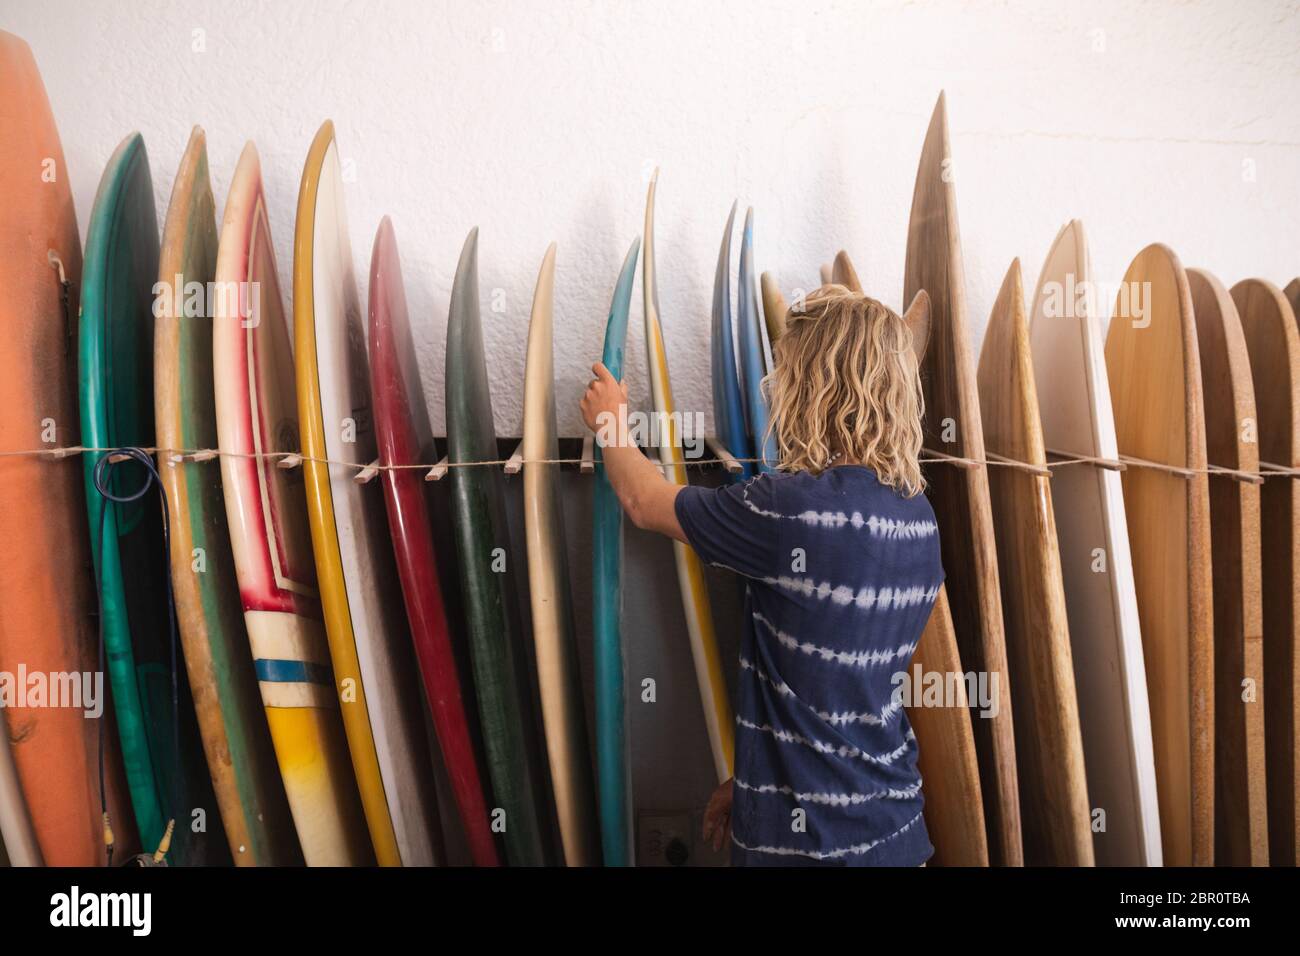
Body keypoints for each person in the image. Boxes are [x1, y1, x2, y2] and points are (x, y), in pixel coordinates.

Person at [580, 283, 940, 866]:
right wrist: (753, 780)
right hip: (897, 832)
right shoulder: (920, 519)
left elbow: (644, 501)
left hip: (807, 851)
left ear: (814, 387)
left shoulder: (788, 511)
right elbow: (837, 686)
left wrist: (611, 423)